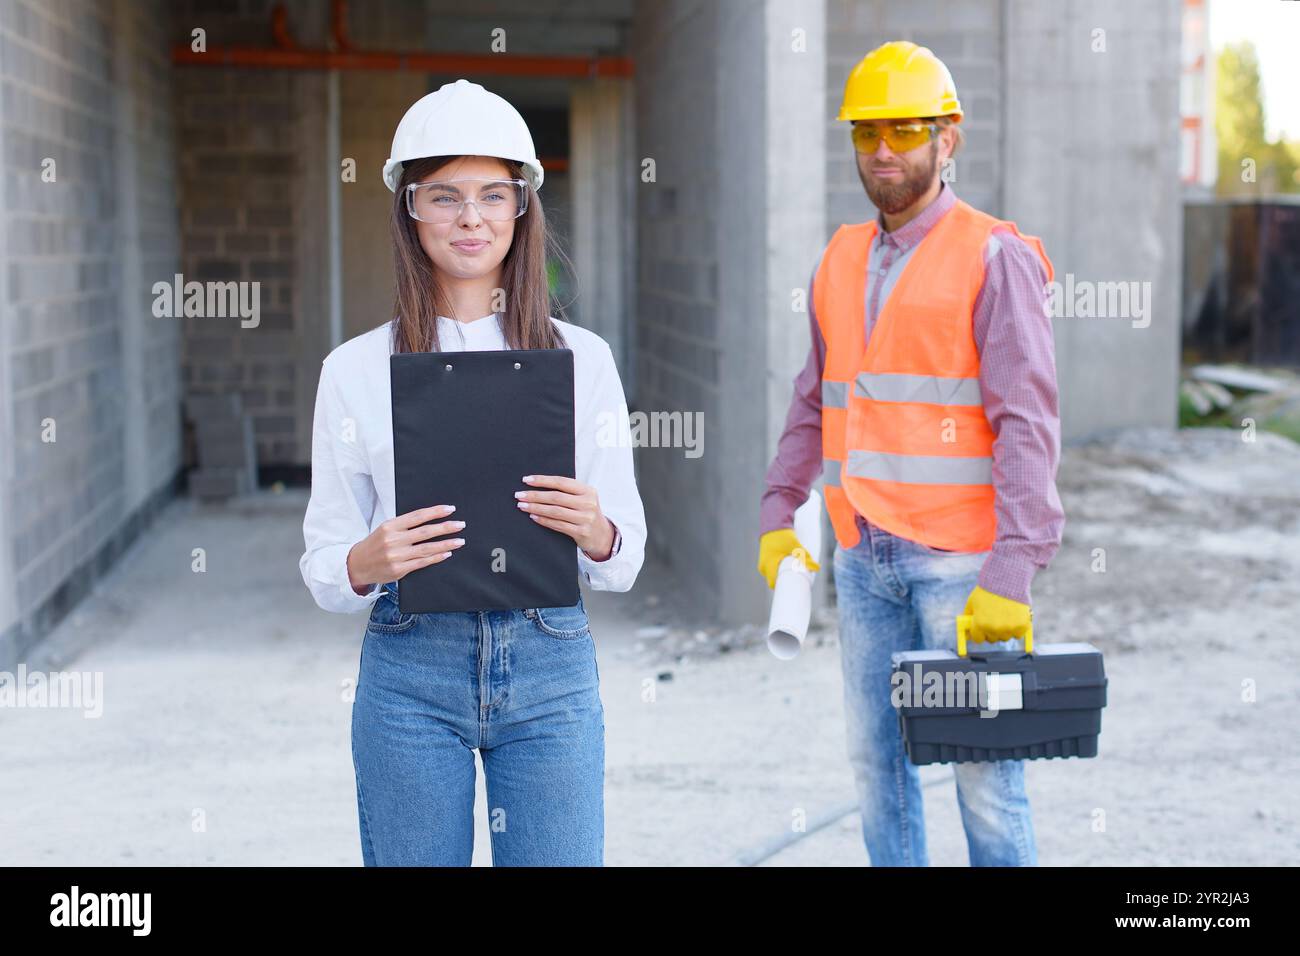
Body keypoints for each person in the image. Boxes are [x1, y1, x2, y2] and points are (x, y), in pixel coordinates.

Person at [299, 78, 646, 866]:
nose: (470, 218)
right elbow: (324, 564)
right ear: (409, 208)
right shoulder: (354, 369)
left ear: (523, 206)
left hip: (549, 662)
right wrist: (364, 562)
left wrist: (596, 531)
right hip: (410, 671)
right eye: (444, 196)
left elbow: (625, 563)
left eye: (494, 194)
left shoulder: (581, 359)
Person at [757, 41, 1065, 866]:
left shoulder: (993, 255)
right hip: (863, 561)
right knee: (876, 768)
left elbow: (1028, 424)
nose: (883, 150)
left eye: (903, 130)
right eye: (867, 134)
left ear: (948, 137)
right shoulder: (841, 256)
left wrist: (1013, 572)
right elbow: (814, 397)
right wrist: (779, 513)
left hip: (960, 571)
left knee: (984, 780)